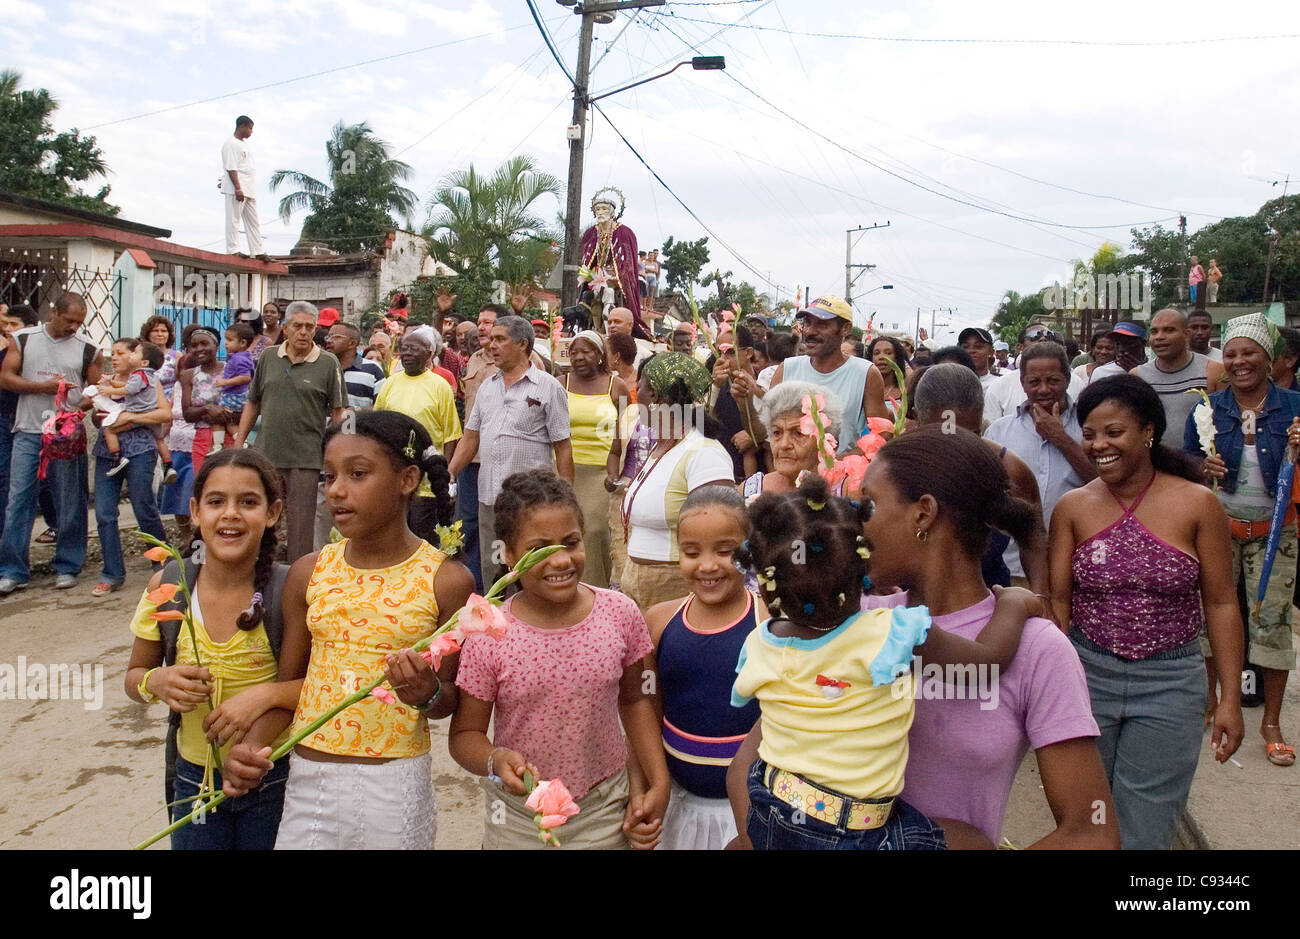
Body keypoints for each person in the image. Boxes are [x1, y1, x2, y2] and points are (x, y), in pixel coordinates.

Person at [763, 428, 1112, 850]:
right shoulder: (852, 621)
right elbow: (758, 762)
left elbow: (1091, 831)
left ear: (923, 513)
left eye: (868, 505)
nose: (853, 526)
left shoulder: (1038, 649)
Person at [727, 472, 1040, 850]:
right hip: (853, 831)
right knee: (974, 843)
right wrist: (1015, 603)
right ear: (864, 570)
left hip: (769, 810)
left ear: (764, 585)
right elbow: (985, 664)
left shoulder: (761, 643)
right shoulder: (889, 634)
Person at [220, 411, 472, 849]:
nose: (336, 490)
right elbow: (292, 690)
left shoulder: (446, 582)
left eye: (357, 474)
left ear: (407, 479)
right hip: (307, 782)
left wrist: (426, 692)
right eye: (329, 475)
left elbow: (447, 702)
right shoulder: (309, 573)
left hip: (393, 788)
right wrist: (253, 749)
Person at [1051, 375, 1243, 848]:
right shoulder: (1072, 508)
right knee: (1088, 821)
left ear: (1148, 431)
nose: (1099, 446)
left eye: (1113, 432)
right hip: (1086, 677)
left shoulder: (1197, 503)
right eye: (1089, 434)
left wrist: (1230, 699)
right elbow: (1057, 602)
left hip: (1172, 685)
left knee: (1145, 829)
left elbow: (1220, 603)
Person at [450, 470, 669, 849]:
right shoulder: (489, 632)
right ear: (508, 554)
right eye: (540, 549)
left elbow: (636, 699)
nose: (561, 560)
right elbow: (465, 735)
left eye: (571, 542)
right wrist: (495, 759)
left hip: (606, 809)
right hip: (519, 818)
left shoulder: (619, 614)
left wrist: (656, 779)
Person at [124, 448, 296, 849]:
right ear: (195, 511)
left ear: (273, 513)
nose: (230, 514)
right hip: (192, 783)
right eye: (216, 501)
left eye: (248, 502)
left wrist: (259, 705)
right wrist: (158, 680)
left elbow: (309, 686)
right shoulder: (168, 587)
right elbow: (133, 678)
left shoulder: (288, 590)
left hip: (272, 779)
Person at [1185, 312, 1300, 768]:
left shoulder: (1294, 406)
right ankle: (1213, 701)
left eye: (1249, 353)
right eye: (1230, 354)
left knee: (1271, 622)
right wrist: (1202, 469)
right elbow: (1191, 461)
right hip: (1219, 527)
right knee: (1211, 618)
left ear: (1268, 359)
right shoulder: (1209, 407)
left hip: (1277, 530)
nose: (1238, 362)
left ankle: (1271, 722)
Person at [642, 486, 765, 849]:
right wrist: (646, 785)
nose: (708, 565)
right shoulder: (659, 622)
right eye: (691, 552)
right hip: (676, 808)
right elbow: (644, 709)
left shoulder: (770, 624)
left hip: (750, 814)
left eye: (726, 551)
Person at [448, 315, 573, 588]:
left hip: (530, 502)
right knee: (494, 570)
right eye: (491, 339)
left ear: (522, 344)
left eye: (500, 339)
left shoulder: (548, 387)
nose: (491, 345)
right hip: (490, 500)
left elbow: (562, 447)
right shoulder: (486, 388)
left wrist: (565, 498)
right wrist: (448, 475)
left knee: (529, 571)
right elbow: (470, 440)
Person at [915, 363, 1050, 595]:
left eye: (970, 436)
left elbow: (1033, 538)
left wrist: (1041, 596)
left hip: (991, 602)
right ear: (917, 418)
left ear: (980, 421)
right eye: (941, 436)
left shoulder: (1010, 469)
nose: (957, 448)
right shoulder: (896, 464)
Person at [0, 293, 101, 595]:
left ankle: (68, 565)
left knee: (70, 499)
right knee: (19, 500)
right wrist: (41, 387)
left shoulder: (89, 348)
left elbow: (95, 389)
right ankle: (12, 570)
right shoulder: (23, 338)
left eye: (79, 322)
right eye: (69, 320)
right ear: (53, 312)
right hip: (29, 430)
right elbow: (6, 378)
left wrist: (75, 410)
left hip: (65, 434)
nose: (73, 327)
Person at [234, 301, 347, 562]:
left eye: (310, 327)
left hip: (306, 459)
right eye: (298, 326)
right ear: (285, 329)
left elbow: (339, 412)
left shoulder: (328, 363)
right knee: (262, 519)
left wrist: (337, 452)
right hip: (266, 455)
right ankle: (259, 572)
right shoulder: (268, 357)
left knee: (300, 528)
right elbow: (253, 403)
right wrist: (239, 442)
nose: (304, 332)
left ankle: (299, 582)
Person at [620, 352, 734, 610]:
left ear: (657, 397)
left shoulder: (704, 452)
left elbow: (718, 528)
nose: (636, 401)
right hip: (641, 583)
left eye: (641, 392)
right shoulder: (662, 447)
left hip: (674, 587)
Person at [984, 342, 1096, 582]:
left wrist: (1060, 438)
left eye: (1053, 380)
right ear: (1023, 383)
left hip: (1078, 565)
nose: (1044, 389)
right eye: (1034, 382)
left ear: (1067, 379)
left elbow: (1103, 482)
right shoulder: (998, 433)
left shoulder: (1090, 428)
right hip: (1013, 568)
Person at [375, 326, 462, 546]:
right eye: (404, 349)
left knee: (422, 537)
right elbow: (376, 426)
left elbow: (451, 434)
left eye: (414, 349)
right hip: (393, 476)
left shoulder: (440, 386)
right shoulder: (390, 383)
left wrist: (448, 473)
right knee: (393, 536)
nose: (407, 354)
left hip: (427, 480)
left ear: (429, 354)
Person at [771, 295, 888, 454]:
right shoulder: (786, 369)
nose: (810, 331)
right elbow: (770, 429)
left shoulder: (865, 373)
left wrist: (838, 465)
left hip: (840, 475)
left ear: (845, 329)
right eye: (807, 323)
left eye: (822, 324)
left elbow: (881, 434)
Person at [563, 330, 625, 589]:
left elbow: (626, 429)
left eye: (587, 351)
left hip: (602, 472)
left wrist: (616, 471)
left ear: (600, 356)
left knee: (596, 531)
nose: (579, 357)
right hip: (565, 469)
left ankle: (595, 590)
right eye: (574, 351)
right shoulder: (560, 383)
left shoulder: (615, 385)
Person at [162, 327, 225, 551]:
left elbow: (245, 406)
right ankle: (204, 544)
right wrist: (210, 408)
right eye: (194, 345)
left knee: (229, 487)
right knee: (205, 490)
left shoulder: (230, 371)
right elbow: (187, 413)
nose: (199, 349)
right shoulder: (188, 376)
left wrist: (221, 414)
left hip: (228, 436)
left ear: (217, 346)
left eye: (204, 344)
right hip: (201, 439)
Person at [1135, 308, 1225, 449]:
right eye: (1154, 332)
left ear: (1186, 334)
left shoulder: (1214, 372)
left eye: (1169, 330)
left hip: (1200, 465)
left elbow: (1226, 426)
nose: (1159, 337)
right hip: (1155, 465)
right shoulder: (1137, 376)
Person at [89, 338, 175, 483]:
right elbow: (96, 418)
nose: (114, 357)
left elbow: (166, 414)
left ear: (142, 360)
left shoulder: (148, 379)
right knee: (104, 505)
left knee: (142, 501)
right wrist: (98, 410)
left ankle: (167, 466)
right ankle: (167, 465)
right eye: (113, 353)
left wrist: (129, 417)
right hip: (106, 451)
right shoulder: (109, 379)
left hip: (139, 449)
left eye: (121, 353)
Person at [740, 380, 843, 500]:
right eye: (777, 433)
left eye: (798, 434)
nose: (784, 445)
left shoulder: (846, 490)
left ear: (825, 441)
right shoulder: (751, 491)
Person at [0, 303, 40, 541]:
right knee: (6, 482)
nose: (7, 329)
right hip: (5, 419)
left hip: (33, 424)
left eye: (13, 324)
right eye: (6, 324)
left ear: (31, 328)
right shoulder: (4, 355)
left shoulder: (36, 356)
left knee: (38, 486)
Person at [221, 115, 266, 260]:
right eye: (250, 128)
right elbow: (231, 167)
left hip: (249, 188)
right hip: (238, 188)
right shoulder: (230, 143)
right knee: (233, 219)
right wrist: (237, 188)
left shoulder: (245, 145)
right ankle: (233, 249)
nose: (251, 132)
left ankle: (257, 251)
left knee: (253, 221)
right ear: (241, 126)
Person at [325, 321, 386, 410]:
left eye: (336, 337)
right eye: (328, 336)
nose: (329, 341)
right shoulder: (322, 368)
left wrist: (355, 410)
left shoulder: (372, 369)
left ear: (352, 343)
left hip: (359, 423)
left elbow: (382, 407)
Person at [217, 322, 256, 442]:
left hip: (234, 397)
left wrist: (225, 382)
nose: (226, 343)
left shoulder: (240, 358)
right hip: (235, 395)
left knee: (222, 418)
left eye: (230, 340)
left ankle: (239, 441)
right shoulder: (240, 356)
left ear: (243, 343)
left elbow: (246, 377)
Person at [867, 335, 910, 415]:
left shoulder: (906, 390)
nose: (881, 357)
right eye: (876, 353)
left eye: (888, 353)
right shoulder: (863, 389)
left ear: (897, 358)